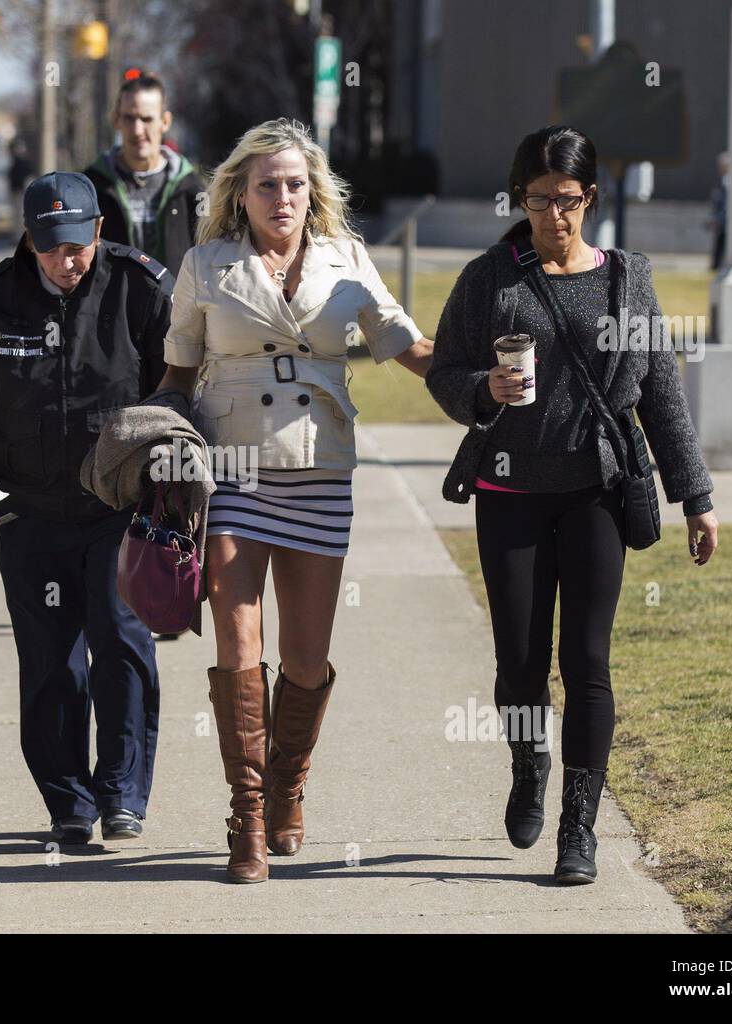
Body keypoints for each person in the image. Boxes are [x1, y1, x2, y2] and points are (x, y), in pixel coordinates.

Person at [426, 124, 720, 886]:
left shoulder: (627, 279)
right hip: (510, 492)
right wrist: (477, 391)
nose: (552, 216)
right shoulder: (493, 278)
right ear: (519, 198)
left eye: (565, 200)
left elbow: (660, 390)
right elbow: (443, 367)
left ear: (589, 198)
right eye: (536, 200)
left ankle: (578, 828)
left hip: (595, 492)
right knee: (520, 667)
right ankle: (529, 762)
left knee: (587, 662)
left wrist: (696, 496)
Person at [157, 118, 434, 884]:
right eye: (267, 184)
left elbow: (407, 347)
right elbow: (177, 375)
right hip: (234, 469)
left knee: (306, 660)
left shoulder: (346, 261)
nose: (282, 196)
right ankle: (245, 820)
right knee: (239, 648)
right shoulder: (206, 264)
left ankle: (287, 788)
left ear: (313, 194)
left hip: (321, 472)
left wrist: (480, 382)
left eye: (294, 184)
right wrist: (155, 445)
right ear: (239, 194)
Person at [0, 172, 174, 845]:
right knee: (50, 662)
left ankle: (123, 792)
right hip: (31, 515)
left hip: (119, 511)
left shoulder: (138, 289)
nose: (66, 262)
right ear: (28, 239)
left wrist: (164, 486)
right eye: (50, 249)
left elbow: (178, 394)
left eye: (77, 247)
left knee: (121, 646)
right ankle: (68, 799)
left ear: (99, 232)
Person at [84, 72, 206, 279]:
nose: (137, 129)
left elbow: (210, 256)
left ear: (165, 121)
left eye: (146, 119)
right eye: (129, 118)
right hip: (111, 309)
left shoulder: (191, 187)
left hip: (176, 308)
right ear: (116, 120)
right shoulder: (91, 186)